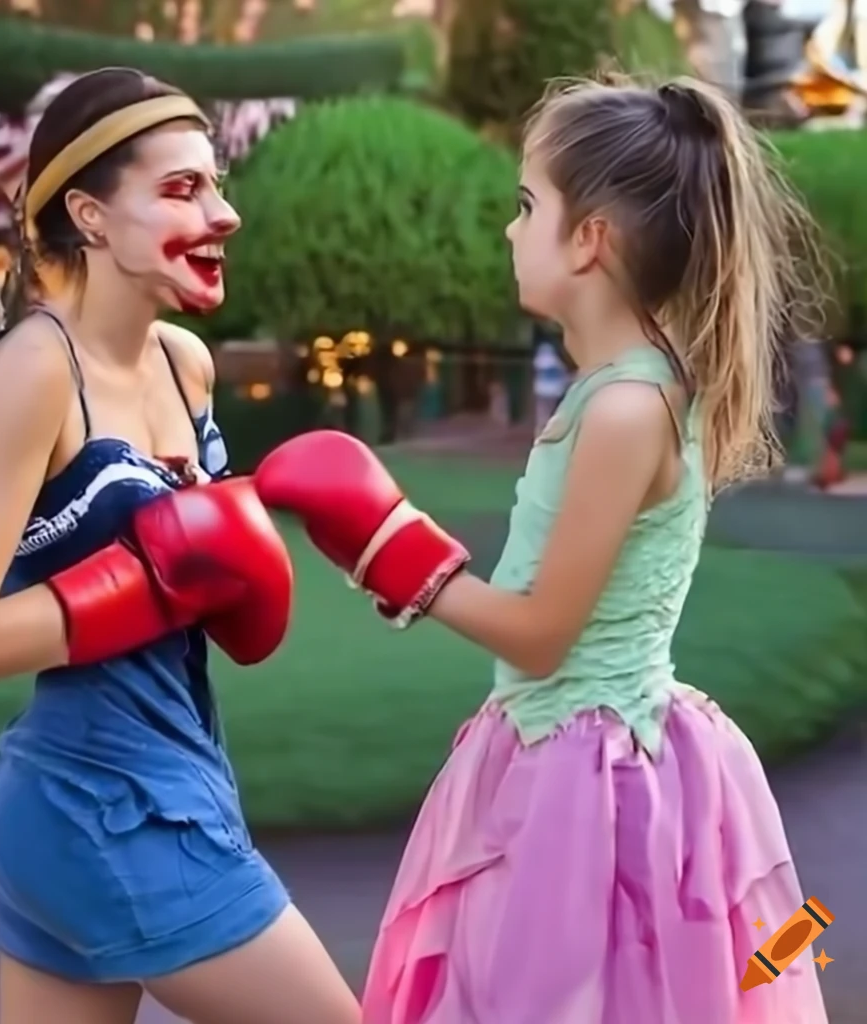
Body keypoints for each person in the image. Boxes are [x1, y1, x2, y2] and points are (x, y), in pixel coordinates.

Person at [253, 74, 830, 1023]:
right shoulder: (619, 389)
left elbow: (540, 635)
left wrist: (395, 554)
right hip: (559, 746)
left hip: (585, 781)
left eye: (529, 207)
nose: (512, 230)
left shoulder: (626, 406)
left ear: (591, 238)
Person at [0, 67, 360, 1024]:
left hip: (174, 774)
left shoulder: (181, 361)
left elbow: (211, 576)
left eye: (217, 182)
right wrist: (143, 582)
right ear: (91, 215)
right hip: (100, 802)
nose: (224, 213)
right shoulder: (33, 371)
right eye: (183, 188)